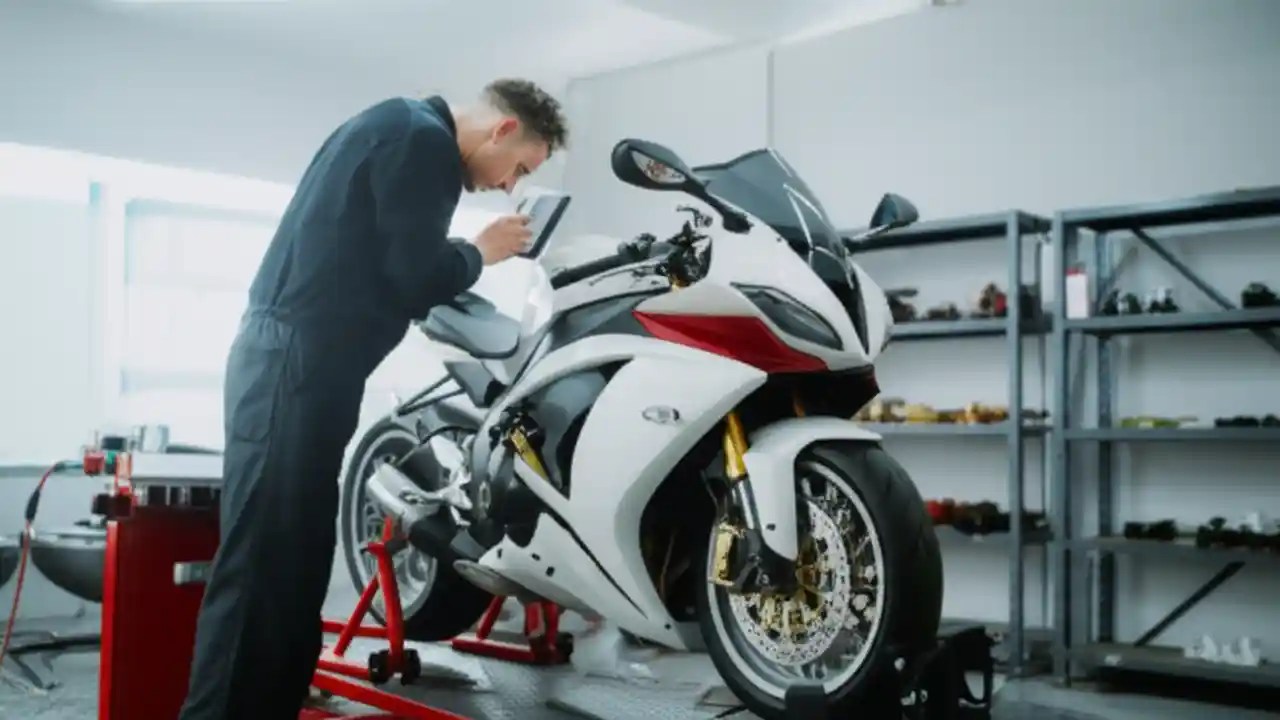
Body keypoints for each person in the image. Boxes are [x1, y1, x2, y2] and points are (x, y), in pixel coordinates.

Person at [178, 79, 569, 720]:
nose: (507, 184)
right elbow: (412, 275)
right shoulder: (424, 146)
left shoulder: (401, 127)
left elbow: (383, 257)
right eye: (519, 167)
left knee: (296, 559)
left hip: (303, 367)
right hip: (292, 366)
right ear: (502, 131)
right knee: (262, 565)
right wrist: (480, 252)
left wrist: (461, 262)